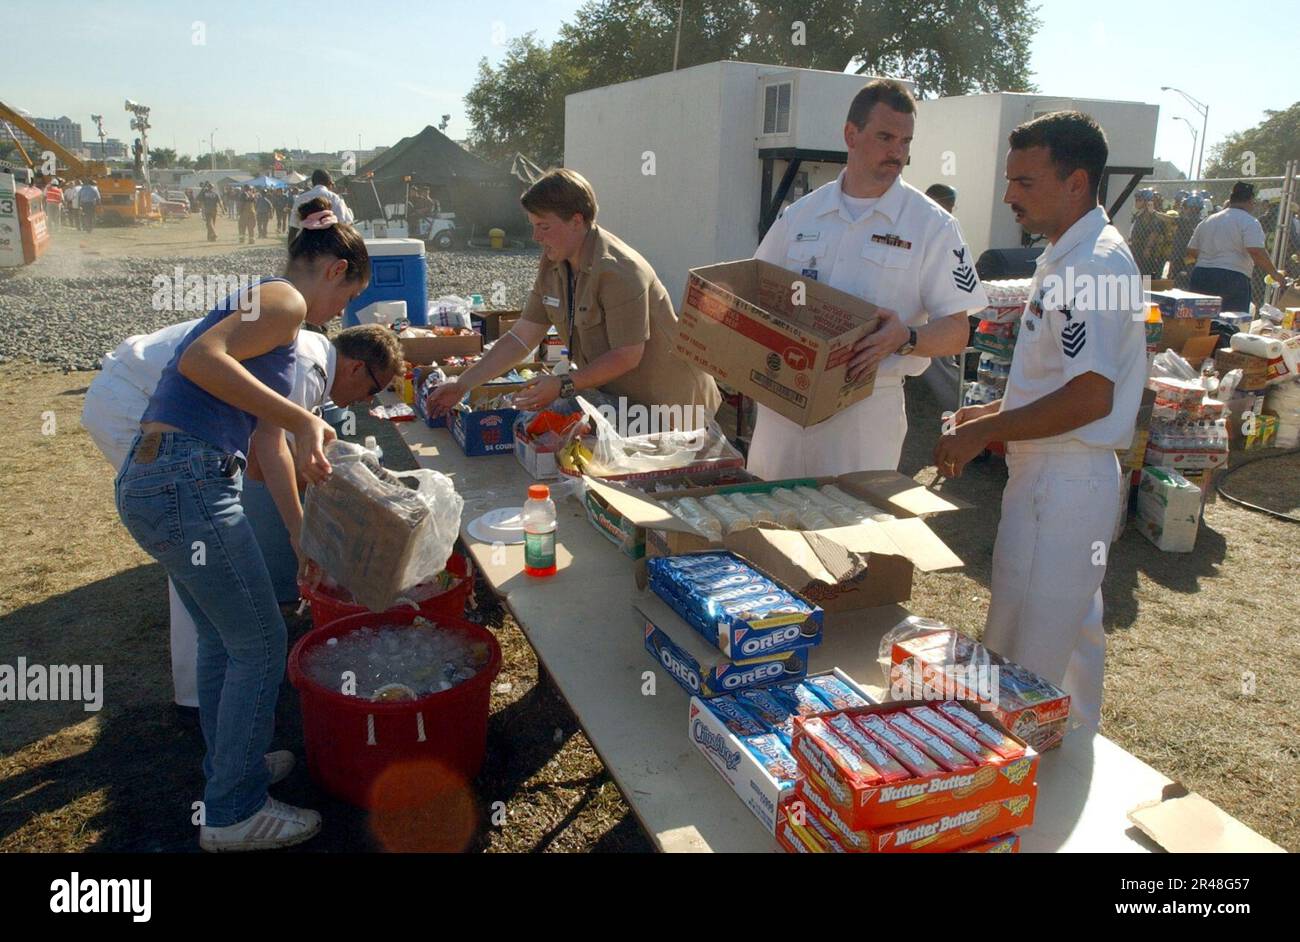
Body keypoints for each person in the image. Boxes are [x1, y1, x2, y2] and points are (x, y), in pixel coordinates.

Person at [114, 197, 370, 852]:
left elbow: (263, 448)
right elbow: (202, 360)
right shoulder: (283, 301)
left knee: (224, 640)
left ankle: (234, 768)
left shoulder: (270, 315)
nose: (341, 314)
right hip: (185, 481)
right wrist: (306, 419)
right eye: (349, 296)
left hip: (159, 481)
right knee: (259, 642)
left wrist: (296, 532)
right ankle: (233, 812)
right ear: (335, 269)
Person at [934, 111, 1147, 732]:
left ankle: (1021, 788)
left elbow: (1089, 398)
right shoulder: (1068, 255)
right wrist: (991, 413)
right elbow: (1059, 385)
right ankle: (1063, 757)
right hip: (1056, 475)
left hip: (1065, 480)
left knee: (1028, 658)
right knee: (1061, 645)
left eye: (1025, 182)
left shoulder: (1095, 266)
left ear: (1076, 182)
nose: (1009, 196)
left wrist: (984, 432)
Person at [83, 323, 401, 707]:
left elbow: (260, 463)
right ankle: (204, 695)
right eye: (373, 390)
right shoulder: (306, 368)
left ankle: (222, 676)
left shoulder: (314, 362)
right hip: (132, 402)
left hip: (141, 393)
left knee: (204, 541)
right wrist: (301, 534)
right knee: (196, 548)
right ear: (354, 367)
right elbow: (265, 459)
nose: (366, 403)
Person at [746, 80, 988, 478]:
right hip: (785, 403)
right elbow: (755, 290)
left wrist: (908, 338)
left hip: (864, 412)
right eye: (885, 136)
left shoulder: (932, 226)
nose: (897, 151)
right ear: (850, 135)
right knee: (770, 526)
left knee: (846, 535)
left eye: (906, 141)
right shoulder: (801, 215)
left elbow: (958, 331)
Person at [425, 168, 721, 427]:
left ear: (577, 221)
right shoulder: (554, 262)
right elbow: (522, 337)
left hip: (673, 411)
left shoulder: (619, 271)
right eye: (533, 226)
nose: (535, 237)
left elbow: (627, 355)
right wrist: (463, 384)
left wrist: (563, 383)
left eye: (544, 226)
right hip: (623, 405)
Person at [1187, 182, 1289, 312]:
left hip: (1201, 273)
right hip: (1232, 276)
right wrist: (1275, 274)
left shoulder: (1208, 220)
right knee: (1229, 323)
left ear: (1231, 199)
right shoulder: (1249, 221)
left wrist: (1211, 258)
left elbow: (1191, 249)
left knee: (1199, 320)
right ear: (1251, 200)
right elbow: (1256, 252)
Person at [289, 170, 353, 243]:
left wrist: (290, 250)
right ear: (329, 183)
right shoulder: (335, 198)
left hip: (305, 244)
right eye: (332, 184)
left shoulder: (301, 198)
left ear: (313, 183)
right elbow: (344, 222)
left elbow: (294, 227)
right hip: (330, 244)